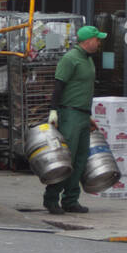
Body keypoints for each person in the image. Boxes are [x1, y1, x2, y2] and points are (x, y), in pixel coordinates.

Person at [43, 25, 105, 214]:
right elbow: (58, 86)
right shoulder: (70, 59)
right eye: (97, 39)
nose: (99, 42)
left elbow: (81, 90)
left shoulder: (87, 60)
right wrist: (54, 111)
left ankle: (71, 199)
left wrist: (89, 115)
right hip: (69, 114)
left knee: (80, 159)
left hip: (82, 114)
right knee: (65, 158)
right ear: (87, 41)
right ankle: (51, 198)